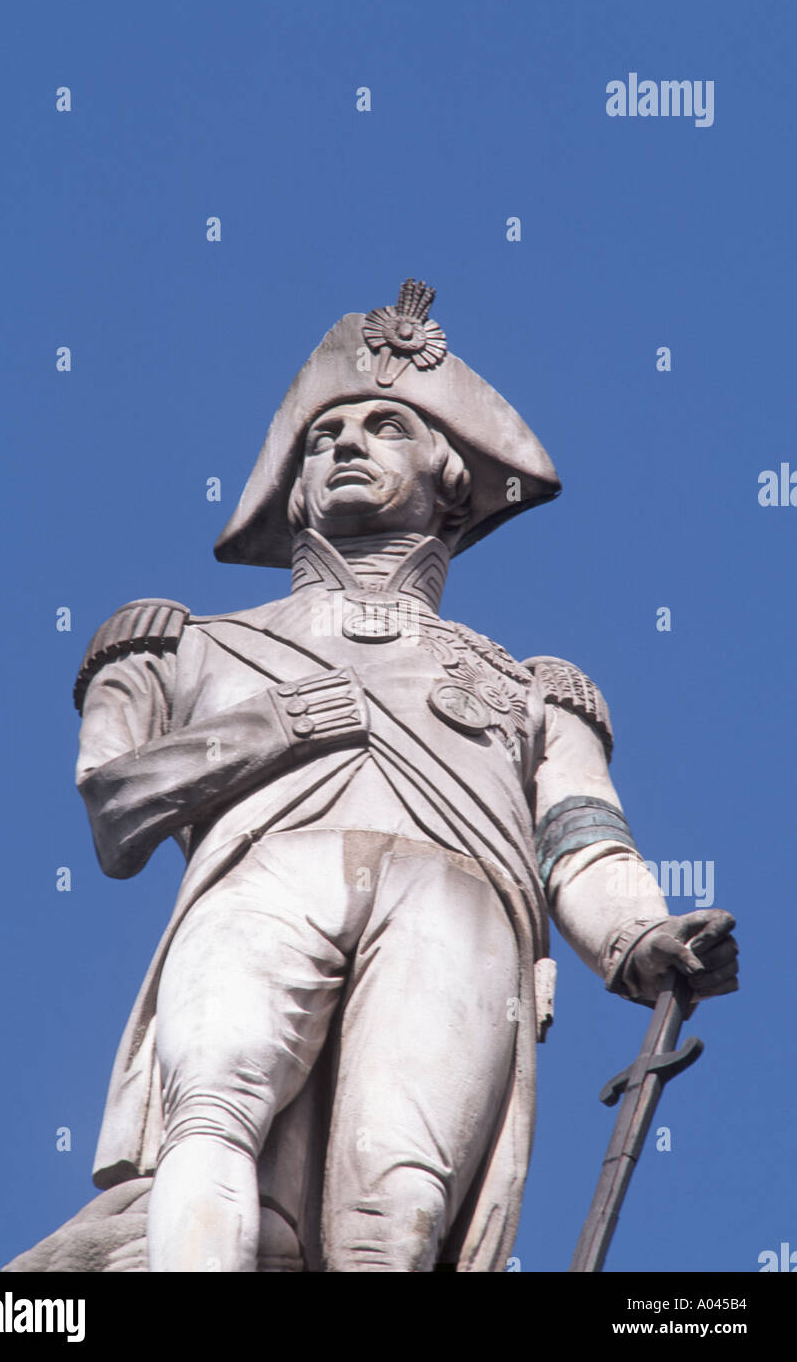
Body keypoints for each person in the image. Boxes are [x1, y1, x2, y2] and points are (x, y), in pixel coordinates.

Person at [73, 281, 737, 1272]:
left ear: (449, 477)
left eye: (383, 425)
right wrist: (275, 727)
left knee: (397, 1203)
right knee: (213, 1102)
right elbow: (115, 807)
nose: (346, 443)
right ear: (294, 489)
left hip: (458, 908)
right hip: (260, 879)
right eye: (324, 434)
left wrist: (643, 938)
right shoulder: (186, 646)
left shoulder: (529, 689)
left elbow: (582, 842)